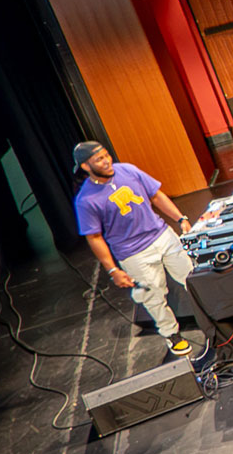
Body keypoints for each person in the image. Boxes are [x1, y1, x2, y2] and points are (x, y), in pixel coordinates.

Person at [72, 139, 197, 356]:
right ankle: (171, 334)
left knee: (193, 276)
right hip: (133, 253)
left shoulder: (128, 170)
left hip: (161, 235)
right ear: (85, 166)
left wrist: (180, 218)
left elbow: (156, 195)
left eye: (106, 155)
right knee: (152, 296)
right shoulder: (86, 200)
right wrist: (113, 270)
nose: (106, 161)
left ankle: (214, 317)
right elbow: (94, 237)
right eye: (98, 159)